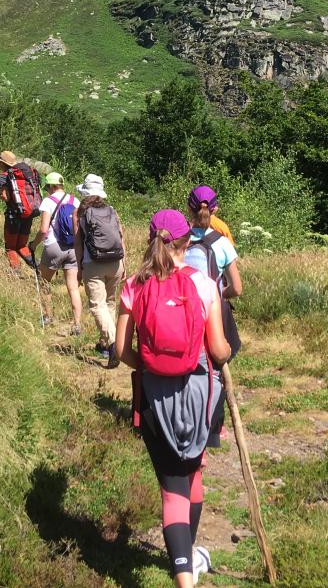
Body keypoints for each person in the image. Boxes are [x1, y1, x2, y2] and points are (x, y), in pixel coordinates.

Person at [115, 209, 230, 587]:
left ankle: (185, 561)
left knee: (172, 488)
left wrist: (149, 367)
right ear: (187, 242)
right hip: (201, 393)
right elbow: (218, 350)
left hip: (154, 399)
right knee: (193, 469)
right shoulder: (203, 284)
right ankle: (187, 569)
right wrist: (224, 352)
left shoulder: (134, 285)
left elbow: (120, 352)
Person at [184, 185, 244, 448]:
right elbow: (237, 288)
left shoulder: (180, 239)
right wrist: (220, 294)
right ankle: (214, 428)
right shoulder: (222, 243)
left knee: (187, 362)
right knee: (217, 366)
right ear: (215, 208)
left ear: (189, 208)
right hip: (214, 311)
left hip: (184, 309)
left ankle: (186, 418)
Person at [73, 174, 125, 365]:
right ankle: (105, 345)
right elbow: (121, 237)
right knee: (109, 303)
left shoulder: (79, 212)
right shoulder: (111, 210)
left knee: (97, 306)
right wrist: (124, 262)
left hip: (93, 263)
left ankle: (114, 344)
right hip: (116, 262)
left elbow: (78, 243)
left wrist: (79, 266)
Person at [31, 172, 82, 331]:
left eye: (47, 187)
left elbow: (44, 230)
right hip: (73, 247)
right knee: (73, 288)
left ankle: (47, 316)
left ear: (52, 186)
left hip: (54, 246)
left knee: (44, 282)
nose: (47, 190)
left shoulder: (48, 201)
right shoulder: (75, 200)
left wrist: (33, 245)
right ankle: (77, 324)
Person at [0, 151, 40, 270]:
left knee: (10, 247)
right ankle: (38, 270)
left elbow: (5, 197)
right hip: (28, 214)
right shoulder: (29, 172)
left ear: (3, 163)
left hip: (13, 216)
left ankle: (16, 275)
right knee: (22, 246)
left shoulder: (4, 176)